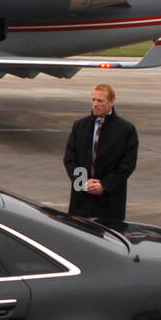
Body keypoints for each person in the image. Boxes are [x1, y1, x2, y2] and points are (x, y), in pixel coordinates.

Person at [62, 83, 138, 221]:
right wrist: (83, 183)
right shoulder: (80, 126)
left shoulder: (126, 130)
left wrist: (105, 185)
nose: (95, 104)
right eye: (93, 100)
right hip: (81, 200)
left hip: (109, 201)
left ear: (112, 102)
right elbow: (70, 159)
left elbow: (127, 164)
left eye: (100, 100)